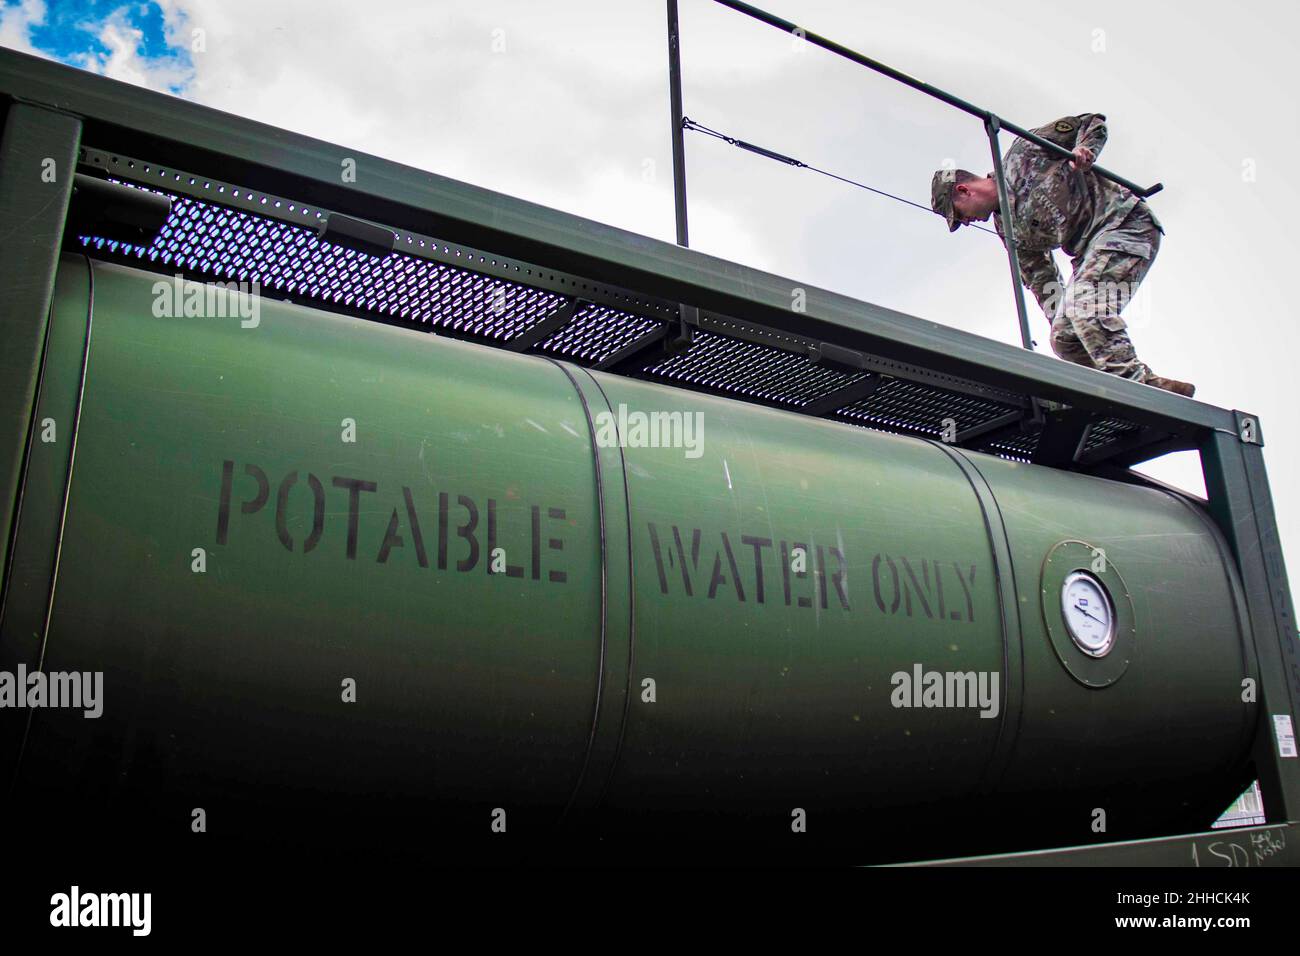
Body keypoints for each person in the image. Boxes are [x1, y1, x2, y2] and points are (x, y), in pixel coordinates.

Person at [930, 113, 1194, 396]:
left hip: (1125, 224)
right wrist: (1062, 320)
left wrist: (1085, 149)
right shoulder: (1009, 229)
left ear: (964, 190)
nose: (967, 222)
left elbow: (1091, 122)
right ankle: (1119, 388)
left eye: (959, 215)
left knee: (1085, 307)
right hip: (1090, 252)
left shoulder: (1024, 154)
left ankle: (1142, 391)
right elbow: (1042, 280)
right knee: (1064, 338)